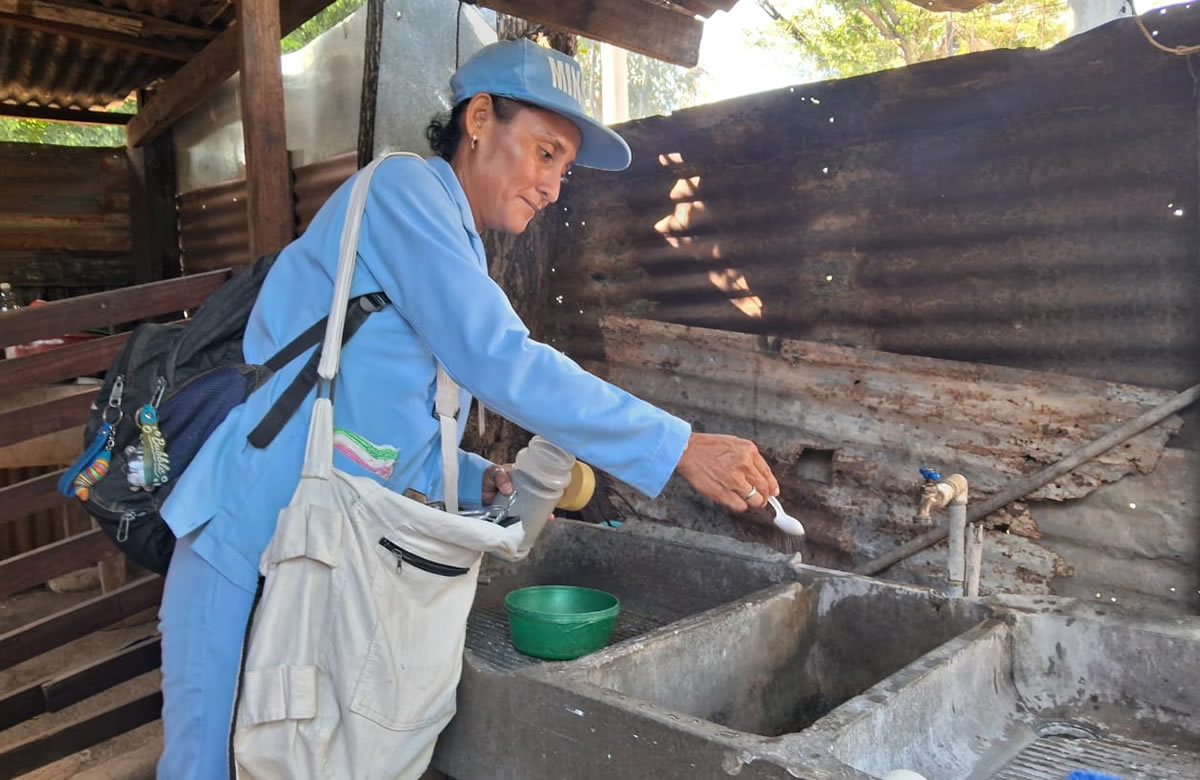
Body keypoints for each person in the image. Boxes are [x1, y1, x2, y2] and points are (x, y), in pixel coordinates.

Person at [156, 37, 780, 779]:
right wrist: (677, 445)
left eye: (565, 169)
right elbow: (498, 358)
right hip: (249, 528)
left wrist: (474, 475)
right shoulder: (403, 194)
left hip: (322, 548)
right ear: (479, 118)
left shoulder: (454, 238)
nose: (554, 187)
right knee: (209, 761)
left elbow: (379, 427)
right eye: (545, 153)